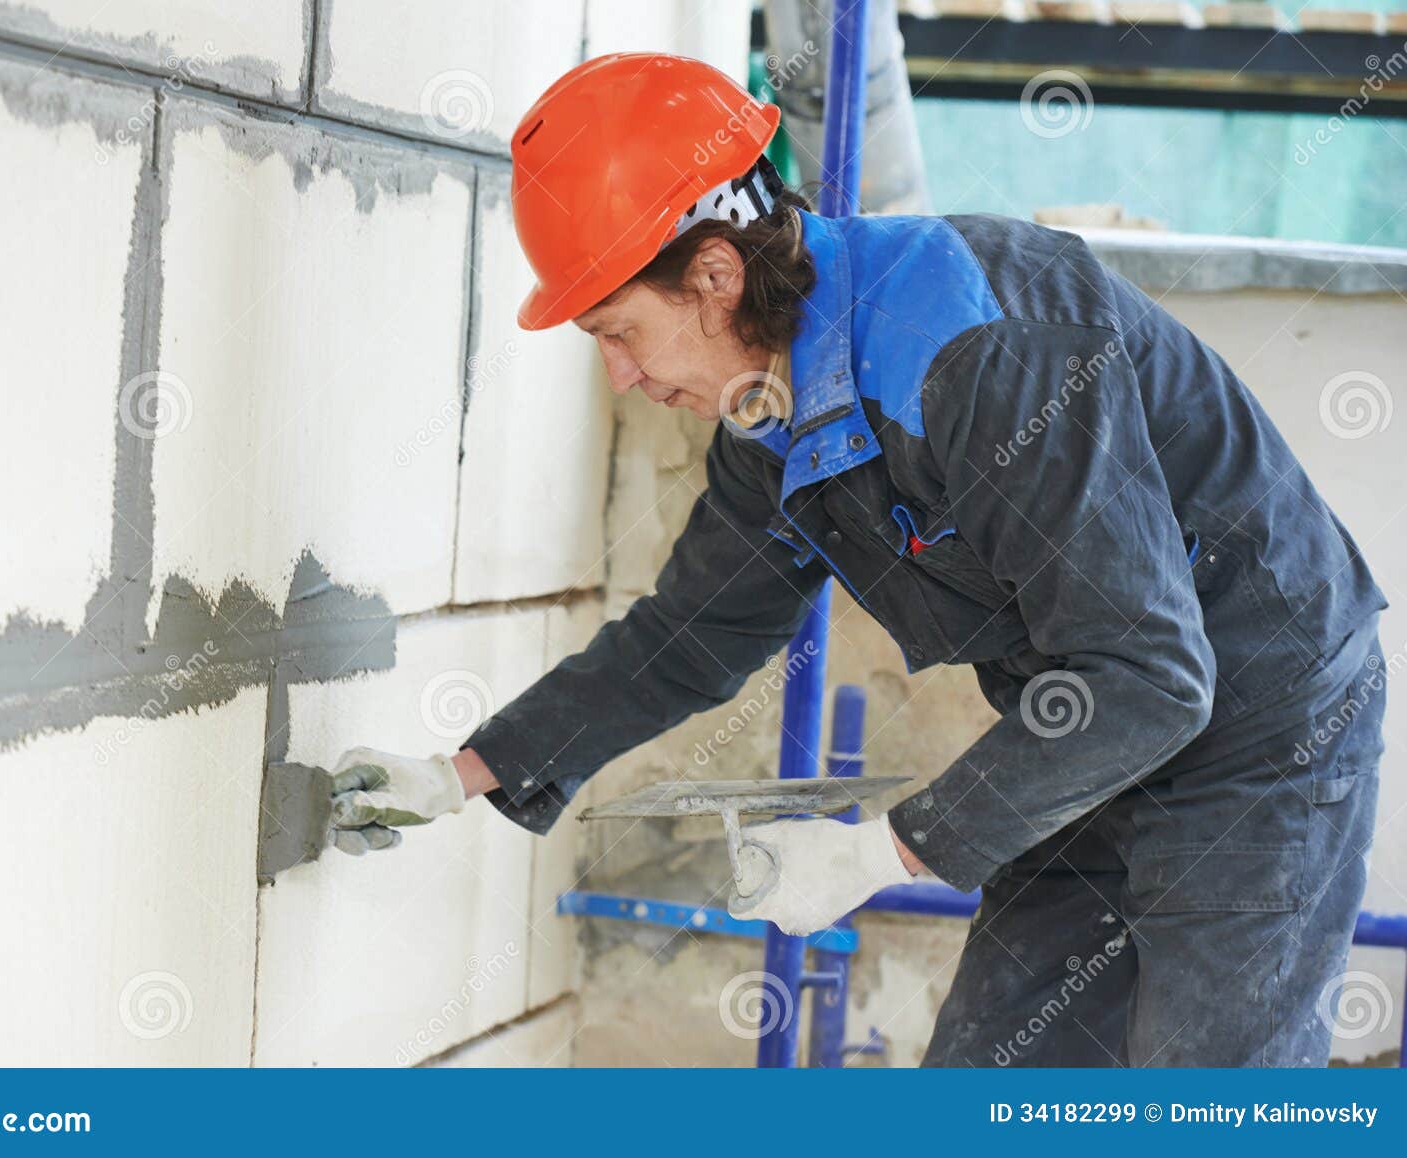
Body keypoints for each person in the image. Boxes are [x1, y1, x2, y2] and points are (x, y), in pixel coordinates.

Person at [326, 54, 1388, 1067]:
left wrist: (880, 854)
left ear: (712, 274)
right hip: (1083, 735)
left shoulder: (977, 352)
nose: (619, 377)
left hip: (1260, 731)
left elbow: (1152, 678)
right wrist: (460, 773)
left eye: (618, 332)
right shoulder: (771, 412)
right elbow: (688, 637)